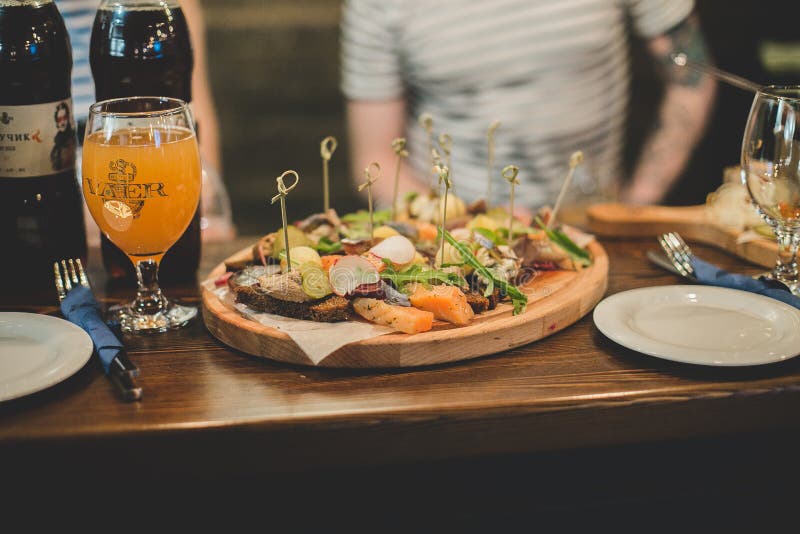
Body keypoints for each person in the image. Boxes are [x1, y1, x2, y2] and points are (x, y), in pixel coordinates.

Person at [341, 0, 717, 215]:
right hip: (451, 241)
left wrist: (635, 205)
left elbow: (691, 81)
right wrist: (462, 227)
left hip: (591, 227)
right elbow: (375, 157)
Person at [56, 0, 235, 241]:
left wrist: (206, 198)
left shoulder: (166, 12)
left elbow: (192, 101)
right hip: (75, 163)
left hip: (161, 153)